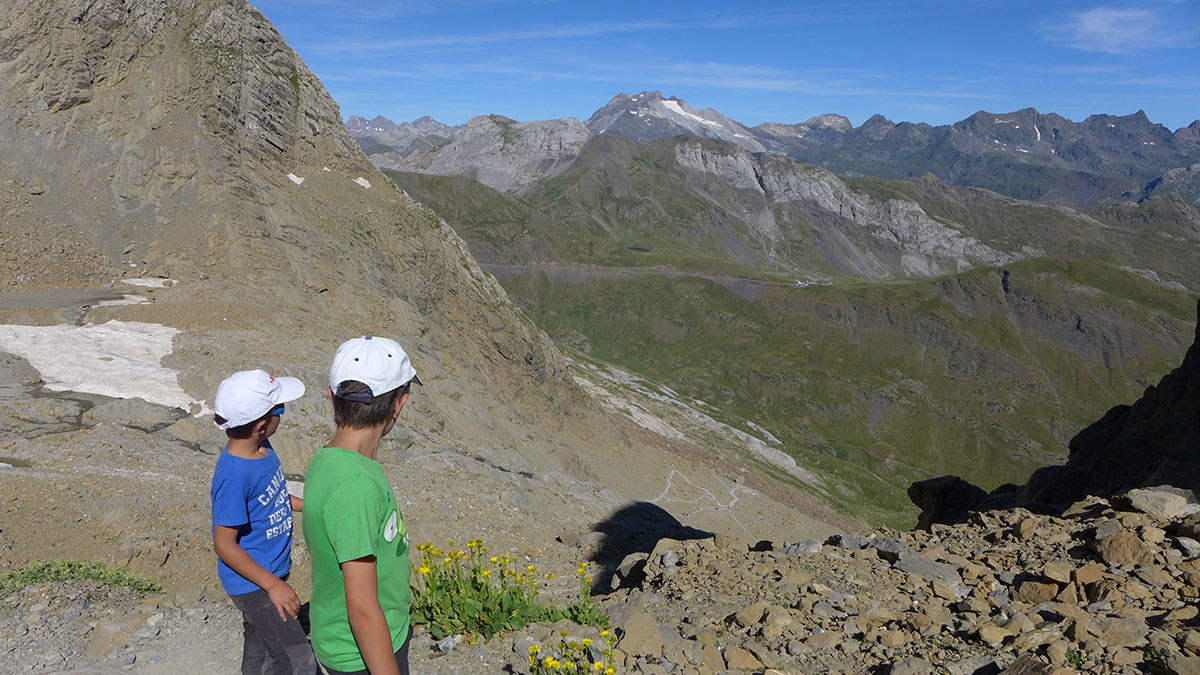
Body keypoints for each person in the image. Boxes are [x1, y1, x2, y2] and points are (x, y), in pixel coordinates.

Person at [303, 336, 422, 675]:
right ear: (399, 404)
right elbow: (362, 609)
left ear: (331, 395)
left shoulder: (330, 460)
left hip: (353, 637)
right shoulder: (356, 485)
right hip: (362, 652)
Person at [209, 369, 317, 675]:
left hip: (269, 574)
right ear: (261, 425)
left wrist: (308, 508)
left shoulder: (261, 450)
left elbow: (274, 497)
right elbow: (224, 544)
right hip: (253, 582)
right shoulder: (233, 475)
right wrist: (273, 586)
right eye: (279, 410)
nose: (281, 415)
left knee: (260, 643)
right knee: (297, 660)